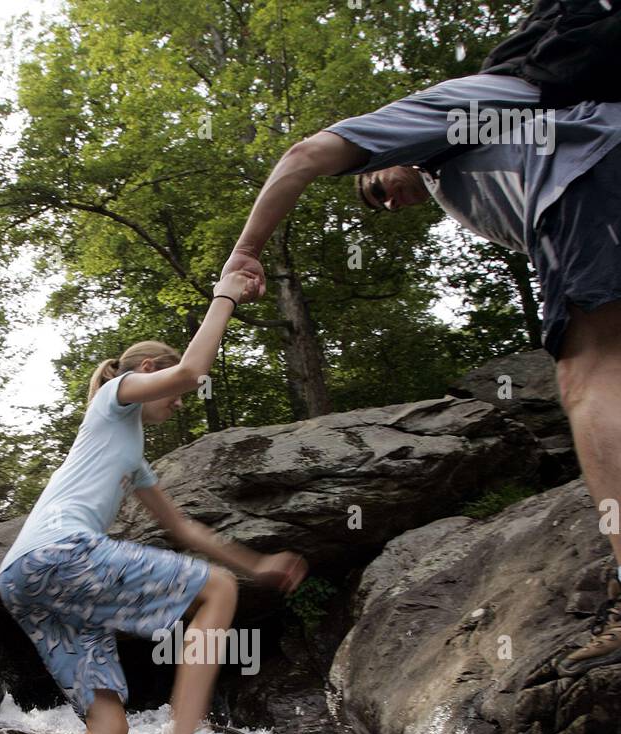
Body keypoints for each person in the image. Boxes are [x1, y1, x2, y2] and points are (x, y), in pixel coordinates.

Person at [220, 56, 621, 677]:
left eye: (377, 186)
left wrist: (244, 253)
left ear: (390, 153)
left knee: (590, 371)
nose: (385, 201)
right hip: (599, 176)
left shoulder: (428, 118)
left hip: (588, 182)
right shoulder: (467, 169)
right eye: (376, 204)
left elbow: (302, 155)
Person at [0, 270, 307, 734]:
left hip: (27, 580)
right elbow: (188, 371)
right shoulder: (115, 400)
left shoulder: (128, 454)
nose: (178, 403)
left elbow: (181, 527)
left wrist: (257, 564)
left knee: (108, 725)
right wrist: (226, 296)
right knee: (212, 590)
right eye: (171, 394)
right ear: (145, 370)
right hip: (56, 557)